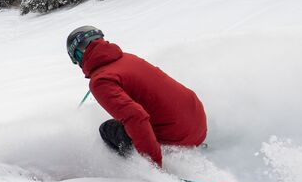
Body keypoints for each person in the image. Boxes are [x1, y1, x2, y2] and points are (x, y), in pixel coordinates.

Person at [67, 26, 207, 168]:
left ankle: (134, 167)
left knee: (107, 129)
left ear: (79, 55)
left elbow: (135, 117)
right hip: (198, 124)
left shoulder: (101, 81)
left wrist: (153, 165)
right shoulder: (127, 58)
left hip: (177, 136)